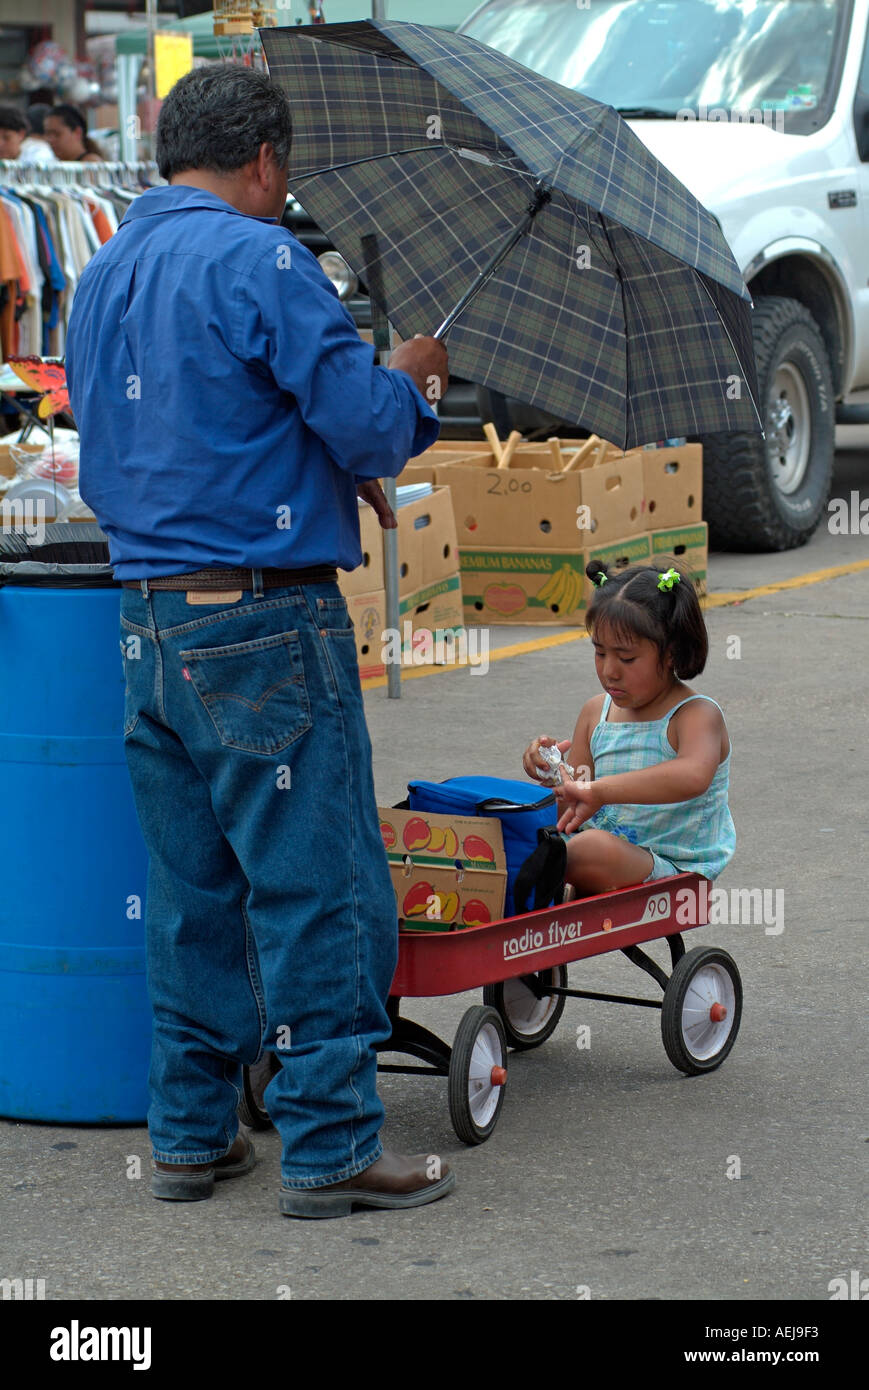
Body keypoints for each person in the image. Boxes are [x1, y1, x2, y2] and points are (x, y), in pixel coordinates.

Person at [64, 63, 454, 1219]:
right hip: (262, 623)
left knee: (190, 893)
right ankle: (330, 1146)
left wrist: (312, 474)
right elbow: (366, 418)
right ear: (266, 165)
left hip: (144, 625)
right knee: (313, 885)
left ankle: (188, 1137)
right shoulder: (263, 258)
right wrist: (411, 383)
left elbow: (189, 430)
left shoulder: (102, 272)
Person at [522, 559, 735, 896]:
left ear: (671, 653)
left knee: (589, 849)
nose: (610, 671)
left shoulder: (695, 715)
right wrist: (552, 771)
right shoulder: (595, 713)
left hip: (673, 870)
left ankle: (545, 888)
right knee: (515, 825)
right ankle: (544, 881)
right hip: (601, 853)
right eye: (600, 653)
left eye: (627, 658)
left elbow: (692, 776)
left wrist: (600, 790)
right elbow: (574, 807)